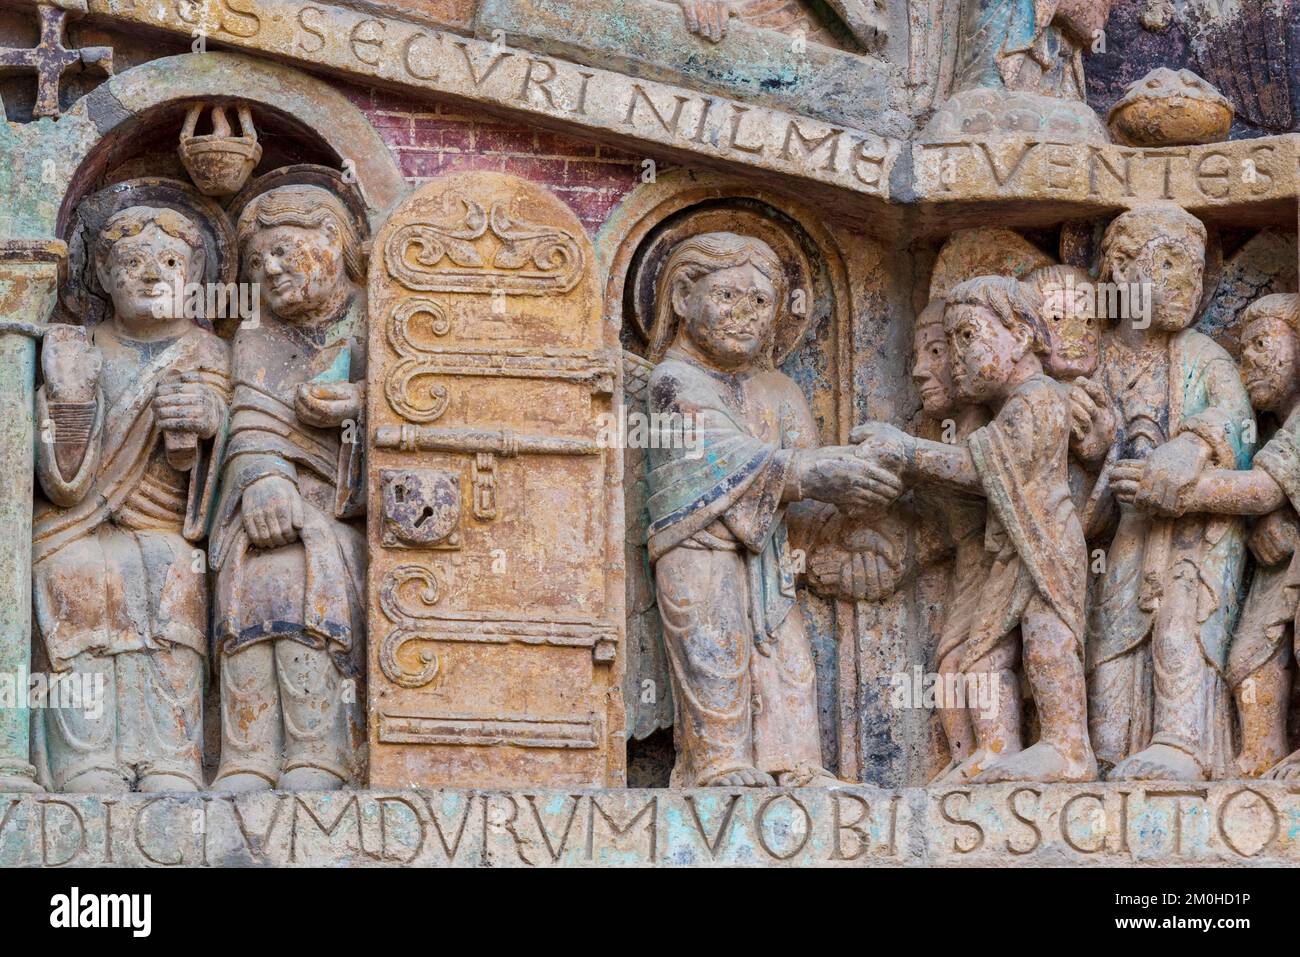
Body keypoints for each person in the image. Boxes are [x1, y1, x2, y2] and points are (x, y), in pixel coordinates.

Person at [33, 206, 229, 792]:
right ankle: (86, 761)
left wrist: (210, 421)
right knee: (76, 574)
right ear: (101, 274)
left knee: (174, 573)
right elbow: (58, 477)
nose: (152, 275)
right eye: (132, 262)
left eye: (169, 262)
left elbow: (232, 459)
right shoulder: (79, 345)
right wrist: (70, 401)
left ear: (194, 279)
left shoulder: (209, 354)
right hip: (77, 524)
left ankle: (172, 758)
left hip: (170, 526)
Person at [210, 184, 367, 792]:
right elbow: (248, 431)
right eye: (254, 262)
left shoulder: (382, 322)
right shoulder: (254, 338)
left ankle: (319, 750)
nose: (268, 269)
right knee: (249, 571)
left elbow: (428, 408)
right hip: (269, 516)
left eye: (281, 251)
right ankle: (248, 754)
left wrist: (361, 407)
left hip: (351, 517)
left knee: (303, 573)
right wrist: (263, 479)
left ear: (331, 241)